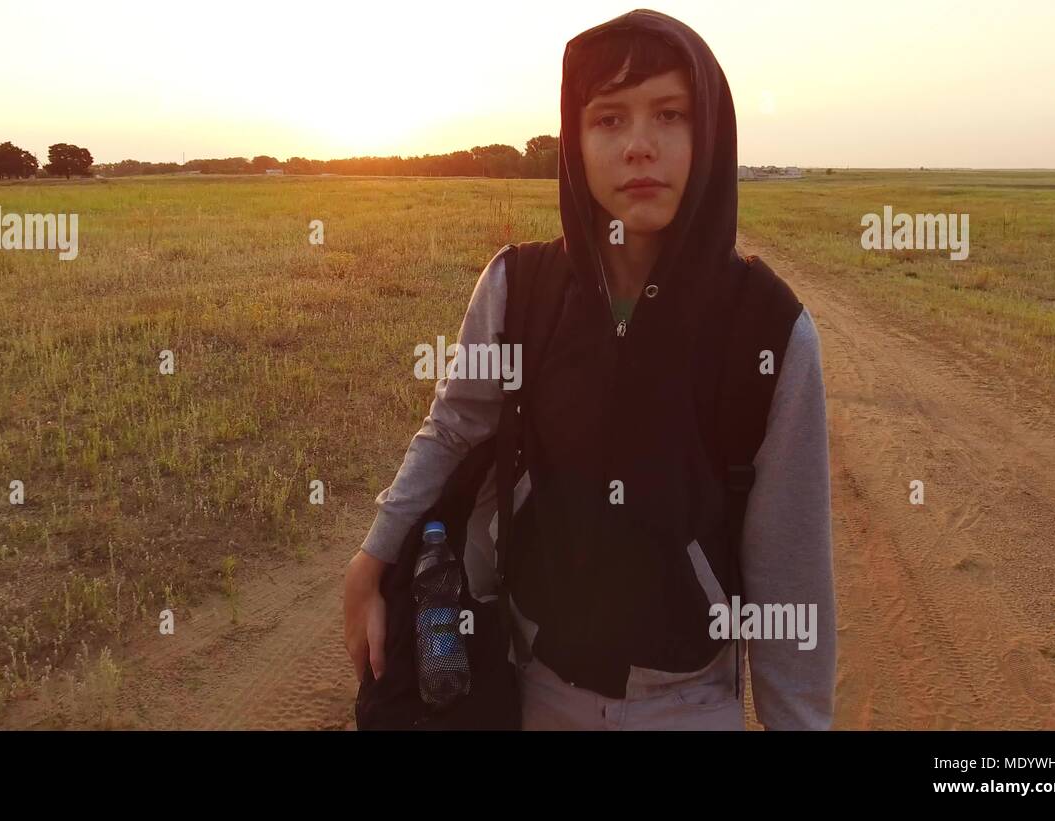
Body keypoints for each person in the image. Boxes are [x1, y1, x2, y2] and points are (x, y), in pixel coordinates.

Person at [343, 8, 835, 730]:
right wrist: (373, 555)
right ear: (574, 143)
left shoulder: (769, 329)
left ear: (711, 132)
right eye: (608, 120)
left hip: (692, 703)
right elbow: (452, 429)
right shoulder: (518, 290)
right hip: (533, 688)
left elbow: (793, 577)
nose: (640, 145)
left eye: (671, 114)